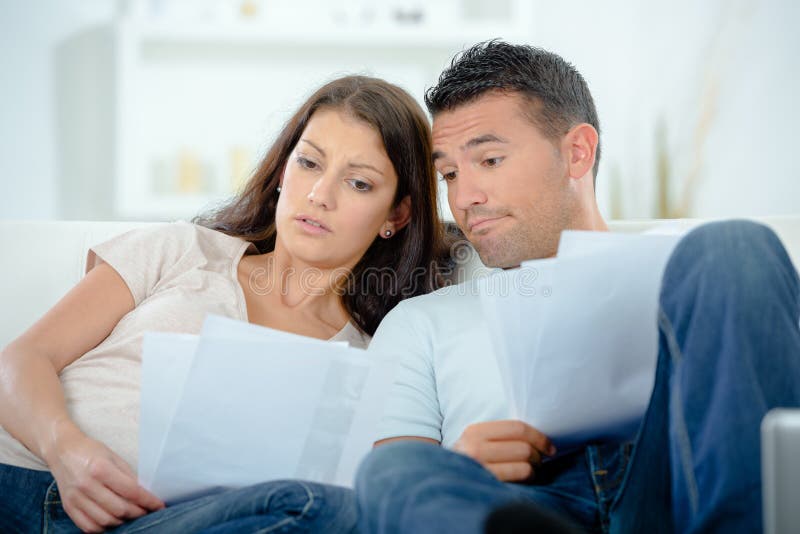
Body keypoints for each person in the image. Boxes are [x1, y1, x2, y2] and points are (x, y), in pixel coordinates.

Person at [355, 41, 800, 533]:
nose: (465, 198)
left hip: (669, 490)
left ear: (577, 152)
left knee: (736, 245)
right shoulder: (421, 322)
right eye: (450, 174)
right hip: (523, 505)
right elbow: (389, 496)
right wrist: (462, 466)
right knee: (390, 471)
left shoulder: (699, 279)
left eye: (491, 161)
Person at [0, 75, 447, 533]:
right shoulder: (184, 250)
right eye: (309, 163)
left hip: (165, 523)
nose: (319, 195)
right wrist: (65, 448)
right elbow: (20, 360)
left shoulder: (367, 360)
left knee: (324, 506)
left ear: (396, 214)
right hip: (22, 480)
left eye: (357, 183)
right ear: (281, 174)